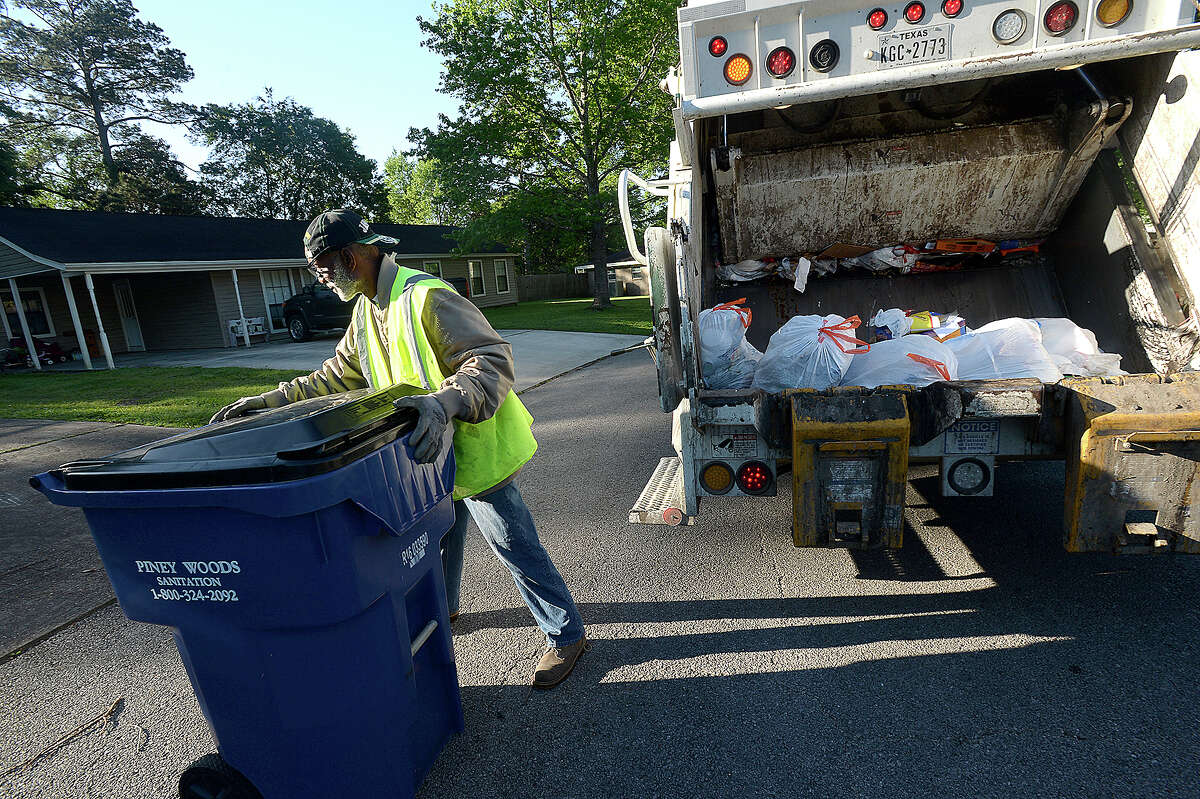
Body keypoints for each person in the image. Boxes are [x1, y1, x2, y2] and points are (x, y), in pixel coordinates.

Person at [211, 209, 587, 689]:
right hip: (427, 456)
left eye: (321, 268)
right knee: (436, 540)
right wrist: (264, 403)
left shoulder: (426, 296)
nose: (319, 279)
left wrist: (444, 402)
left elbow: (490, 360)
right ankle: (445, 608)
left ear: (349, 256)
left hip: (474, 447)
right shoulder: (367, 308)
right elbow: (333, 377)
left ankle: (566, 634)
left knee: (514, 544)